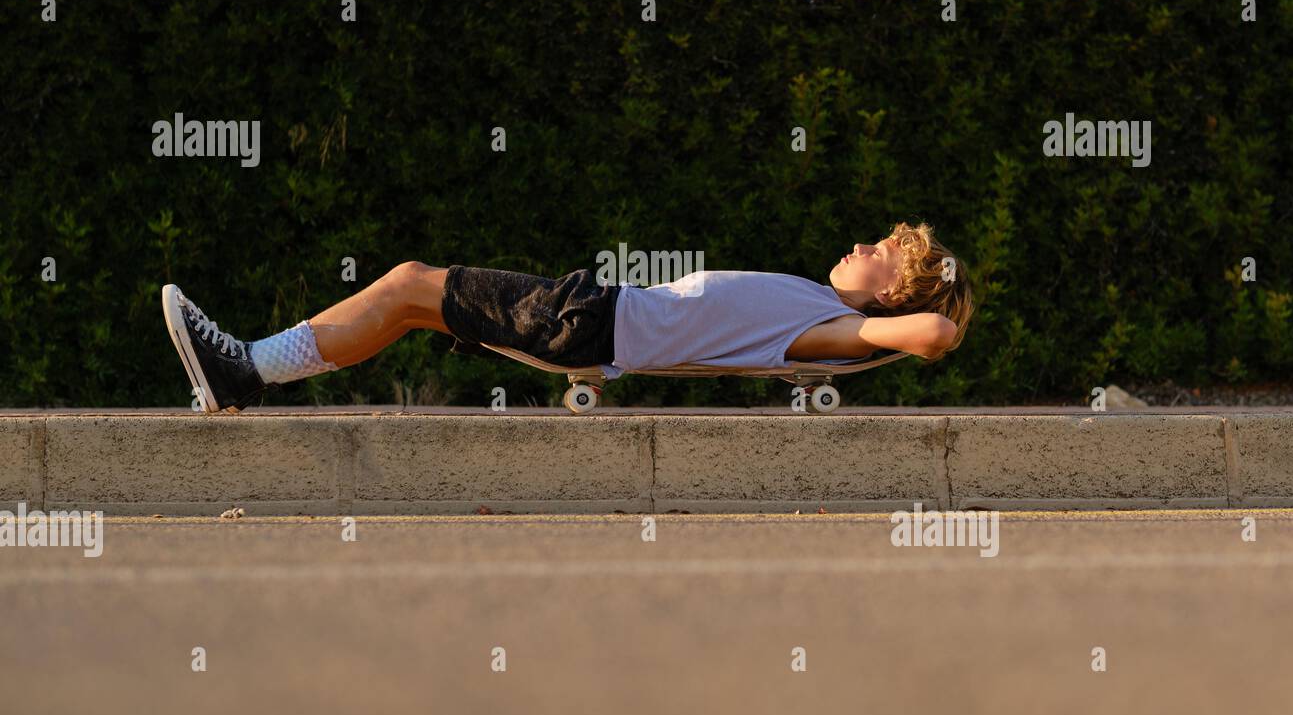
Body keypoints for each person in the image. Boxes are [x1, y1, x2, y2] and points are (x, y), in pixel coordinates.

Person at [161, 221, 973, 413]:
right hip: (589, 315)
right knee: (410, 296)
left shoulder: (838, 331)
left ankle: (248, 367)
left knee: (410, 282)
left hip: (587, 322)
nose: (862, 241)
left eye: (884, 248)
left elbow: (936, 335)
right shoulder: (820, 306)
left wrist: (933, 301)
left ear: (894, 288)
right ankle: (249, 371)